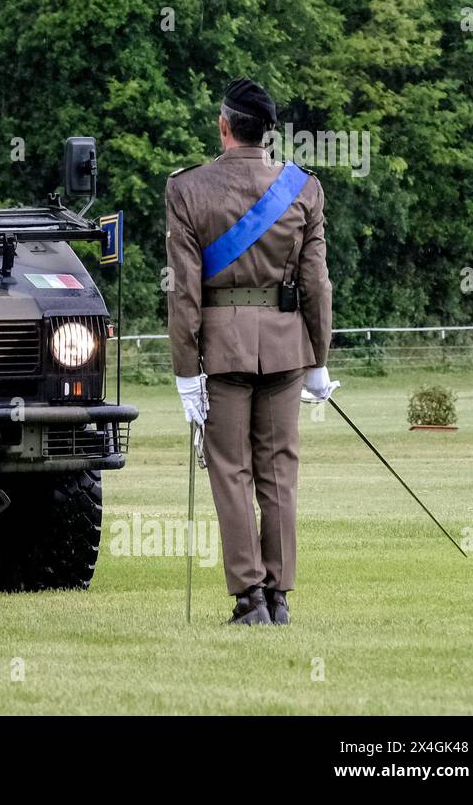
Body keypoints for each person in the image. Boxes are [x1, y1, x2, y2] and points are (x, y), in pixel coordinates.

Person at [165, 77, 335, 626]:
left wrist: (186, 373)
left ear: (223, 125)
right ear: (269, 132)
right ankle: (280, 596)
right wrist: (319, 360)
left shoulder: (188, 189)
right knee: (280, 471)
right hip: (287, 347)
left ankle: (250, 599)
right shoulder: (303, 189)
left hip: (223, 351)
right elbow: (317, 285)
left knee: (231, 470)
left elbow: (184, 291)